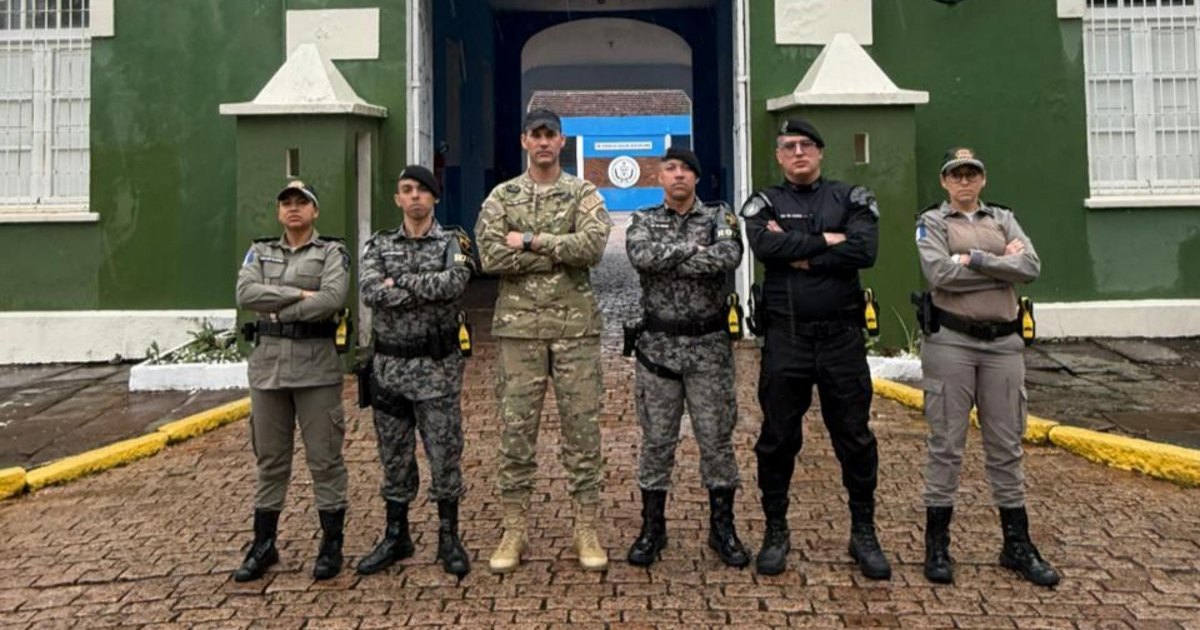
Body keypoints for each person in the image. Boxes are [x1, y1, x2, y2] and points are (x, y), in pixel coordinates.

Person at [741, 118, 890, 580]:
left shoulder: (850, 197)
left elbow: (865, 250)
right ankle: (776, 530)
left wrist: (799, 250)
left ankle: (863, 531)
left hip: (842, 338)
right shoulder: (765, 201)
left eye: (807, 145)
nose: (799, 152)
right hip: (786, 338)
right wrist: (829, 239)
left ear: (821, 152)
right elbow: (765, 248)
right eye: (789, 146)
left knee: (855, 437)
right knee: (778, 438)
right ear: (779, 156)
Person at [474, 108, 613, 573]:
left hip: (575, 330)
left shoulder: (583, 192)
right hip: (518, 332)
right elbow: (489, 256)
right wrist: (558, 252)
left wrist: (531, 241)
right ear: (524, 141)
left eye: (550, 134)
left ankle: (585, 526)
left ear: (562, 140)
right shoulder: (502, 196)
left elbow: (593, 248)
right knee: (516, 433)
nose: (544, 142)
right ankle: (513, 527)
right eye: (536, 135)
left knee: (582, 431)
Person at [915, 147, 1059, 587]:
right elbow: (940, 275)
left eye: (971, 174)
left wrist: (975, 260)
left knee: (1006, 445)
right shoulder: (933, 222)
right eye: (955, 175)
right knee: (947, 444)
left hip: (1003, 345)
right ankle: (937, 545)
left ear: (982, 179)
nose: (963, 182)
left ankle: (1016, 544)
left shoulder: (1003, 219)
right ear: (944, 182)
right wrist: (1002, 267)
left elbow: (1031, 265)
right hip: (951, 342)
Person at [624, 147, 749, 568]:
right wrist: (693, 251)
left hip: (709, 349)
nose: (678, 175)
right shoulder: (643, 219)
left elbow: (729, 256)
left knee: (716, 442)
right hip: (658, 350)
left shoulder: (719, 216)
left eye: (686, 170)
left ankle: (722, 528)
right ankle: (652, 529)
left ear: (697, 178)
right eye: (671, 168)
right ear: (660, 177)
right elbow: (641, 257)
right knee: (657, 442)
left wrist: (674, 256)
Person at [356, 165, 474, 578]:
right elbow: (371, 292)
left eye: (423, 191)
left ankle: (448, 536)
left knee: (445, 453)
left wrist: (400, 283)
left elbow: (455, 284)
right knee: (394, 457)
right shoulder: (378, 245)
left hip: (437, 368)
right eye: (407, 190)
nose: (415, 197)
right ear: (397, 199)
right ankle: (396, 534)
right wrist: (421, 287)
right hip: (389, 368)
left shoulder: (454, 242)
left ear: (435, 198)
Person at [234, 180, 351, 582]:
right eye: (287, 202)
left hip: (316, 370)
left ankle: (331, 543)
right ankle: (263, 544)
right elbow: (246, 292)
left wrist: (282, 307)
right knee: (270, 461)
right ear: (278, 211)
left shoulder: (331, 252)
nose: (294, 208)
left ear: (315, 211)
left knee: (325, 459)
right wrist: (300, 295)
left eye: (303, 202)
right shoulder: (260, 250)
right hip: (268, 371)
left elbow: (333, 299)